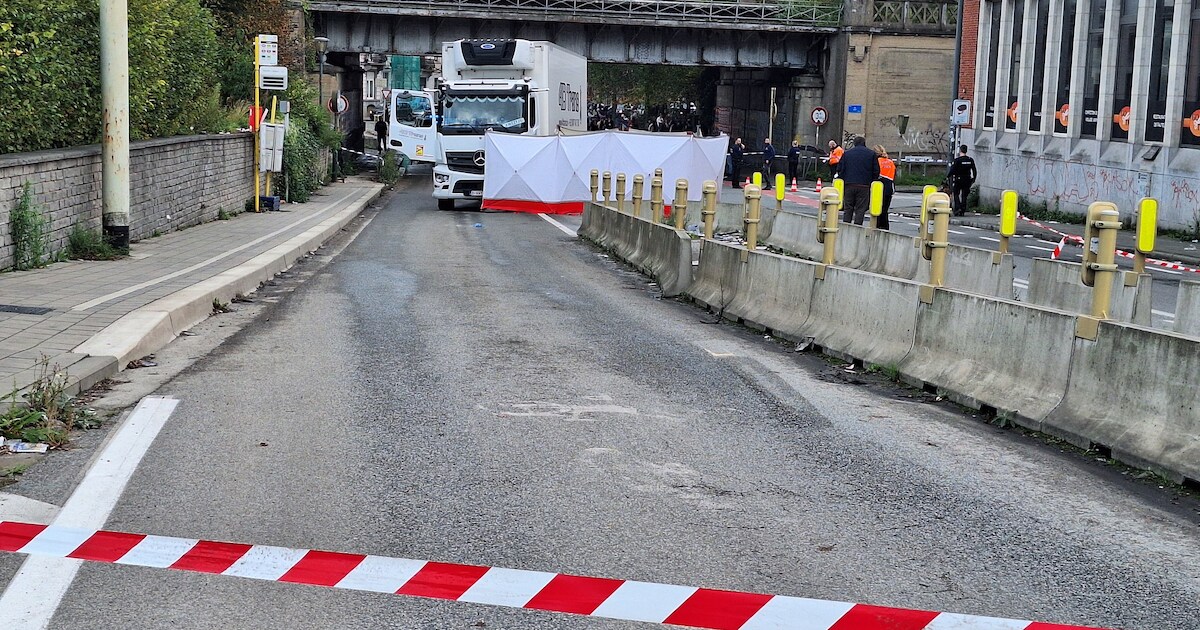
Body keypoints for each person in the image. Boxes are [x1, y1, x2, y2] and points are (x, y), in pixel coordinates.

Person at [837, 136, 879, 225]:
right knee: (860, 209)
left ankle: (846, 225)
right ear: (864, 143)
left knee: (848, 207)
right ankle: (858, 226)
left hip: (849, 184)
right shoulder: (871, 154)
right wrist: (871, 181)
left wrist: (844, 178)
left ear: (854, 143)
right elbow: (876, 171)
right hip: (864, 185)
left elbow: (840, 168)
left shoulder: (847, 154)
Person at [946, 144, 977, 216]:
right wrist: (973, 178)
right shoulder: (970, 160)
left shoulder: (957, 160)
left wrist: (948, 176)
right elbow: (974, 170)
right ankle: (963, 210)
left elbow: (952, 170)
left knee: (956, 193)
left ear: (960, 150)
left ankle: (958, 207)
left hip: (958, 179)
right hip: (967, 179)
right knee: (964, 195)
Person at [874, 145, 896, 230]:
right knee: (885, 209)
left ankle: (878, 226)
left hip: (879, 186)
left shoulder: (877, 161)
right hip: (889, 186)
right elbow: (894, 175)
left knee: (877, 208)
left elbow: (875, 174)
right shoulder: (890, 161)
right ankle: (885, 227)